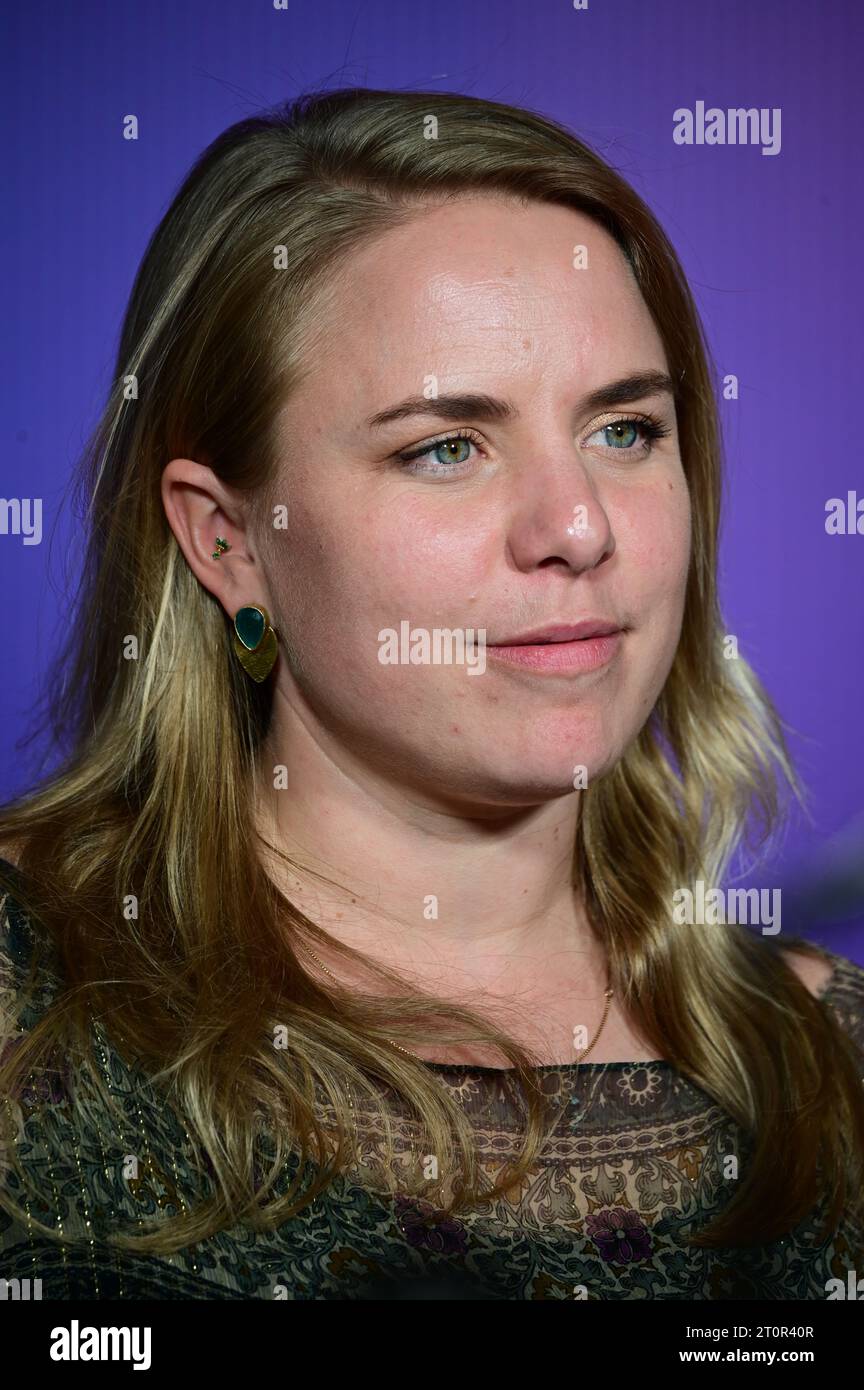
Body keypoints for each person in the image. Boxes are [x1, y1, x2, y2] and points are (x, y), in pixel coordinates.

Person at [1, 86, 862, 1302]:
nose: (577, 527)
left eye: (625, 428)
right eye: (447, 447)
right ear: (228, 540)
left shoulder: (837, 1069)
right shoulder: (23, 1002)